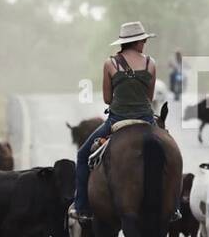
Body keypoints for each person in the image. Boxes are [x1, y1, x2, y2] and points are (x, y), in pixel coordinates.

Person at [73, 21, 179, 222]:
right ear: (137, 42)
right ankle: (173, 207)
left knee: (82, 155)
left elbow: (107, 99)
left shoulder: (110, 64)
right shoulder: (150, 64)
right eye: (144, 40)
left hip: (117, 120)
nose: (145, 43)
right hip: (146, 120)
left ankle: (82, 206)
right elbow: (149, 97)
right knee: (171, 154)